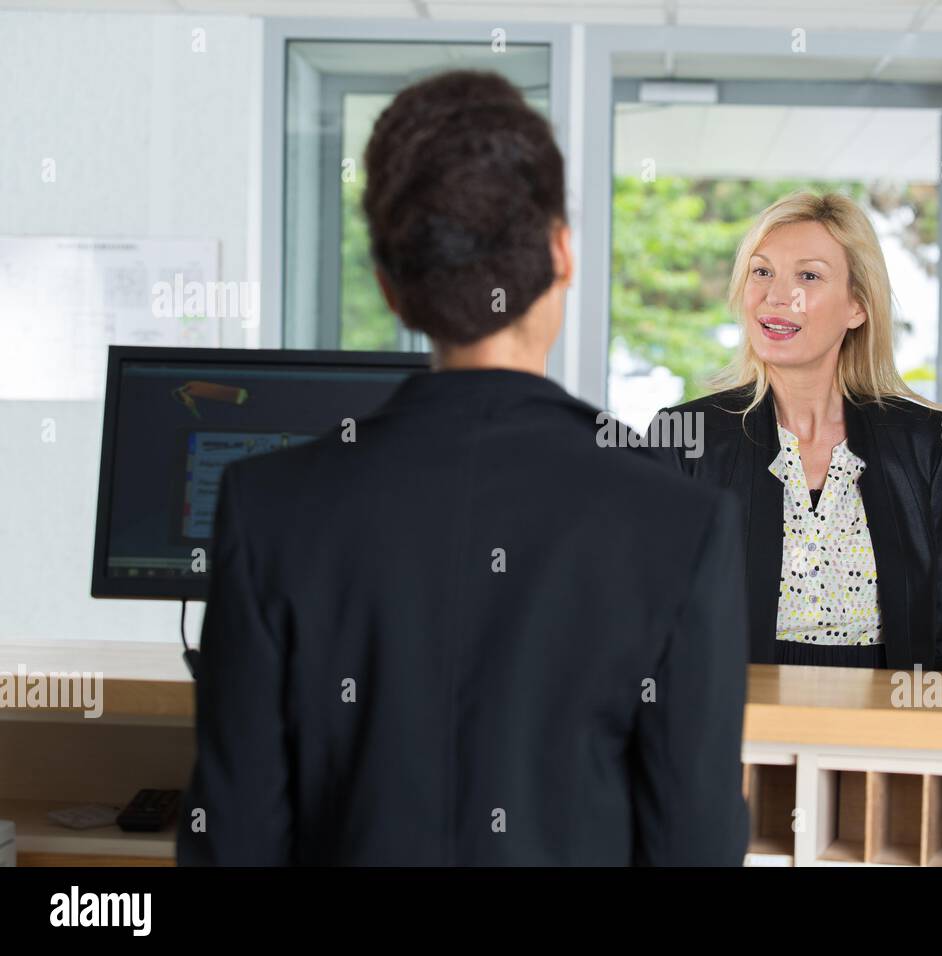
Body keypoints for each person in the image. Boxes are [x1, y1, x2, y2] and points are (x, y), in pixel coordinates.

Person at [178, 70, 750, 865]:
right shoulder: (683, 522)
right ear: (561, 253)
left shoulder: (267, 506)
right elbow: (692, 841)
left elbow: (231, 840)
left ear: (389, 288)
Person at [655, 192, 942, 673]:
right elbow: (653, 631)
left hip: (881, 735)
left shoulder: (924, 441)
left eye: (807, 276)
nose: (775, 296)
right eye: (762, 271)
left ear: (857, 306)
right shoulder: (684, 437)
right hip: (735, 731)